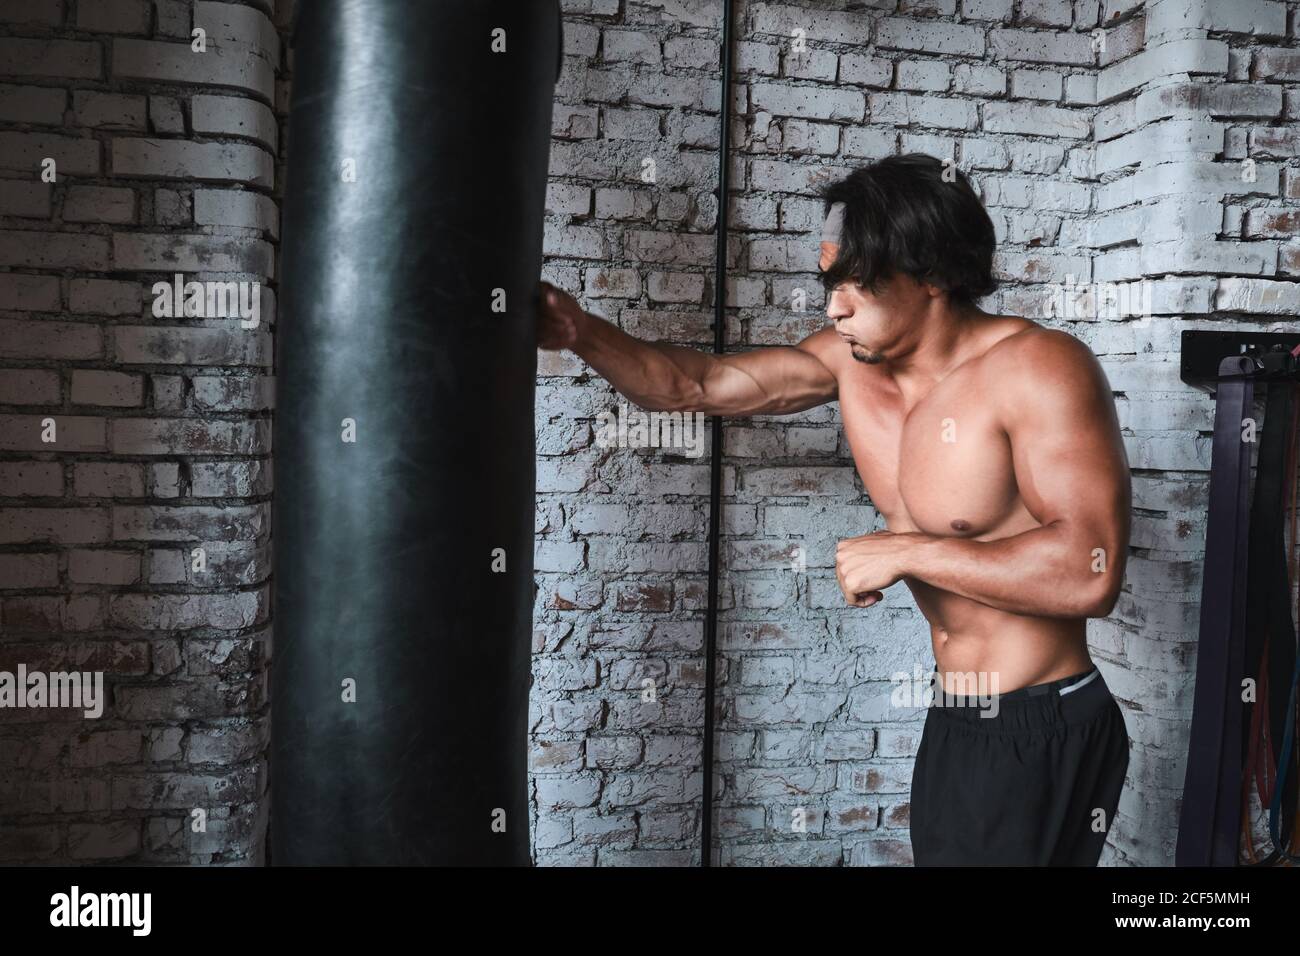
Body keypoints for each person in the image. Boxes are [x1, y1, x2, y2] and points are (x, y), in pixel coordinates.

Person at [535, 152, 1132, 866]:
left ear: (934, 274)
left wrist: (906, 551)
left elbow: (1090, 571)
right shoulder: (852, 363)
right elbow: (697, 386)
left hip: (1043, 720)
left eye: (860, 282)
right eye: (831, 281)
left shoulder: (1039, 368)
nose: (834, 306)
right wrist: (583, 333)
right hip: (961, 717)